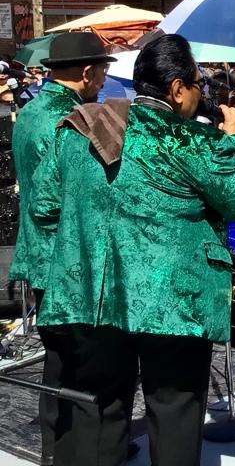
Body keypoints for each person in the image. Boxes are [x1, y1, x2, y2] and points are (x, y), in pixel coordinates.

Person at [31, 34, 235, 466]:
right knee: (174, 411)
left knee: (95, 410)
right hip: (174, 304)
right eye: (199, 85)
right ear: (177, 89)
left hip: (94, 295)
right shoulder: (190, 141)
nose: (202, 95)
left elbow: (44, 207)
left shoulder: (78, 130)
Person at [9, 32, 113, 464]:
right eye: (103, 72)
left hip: (37, 251)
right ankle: (75, 449)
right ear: (87, 72)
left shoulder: (29, 110)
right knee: (82, 362)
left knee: (57, 360)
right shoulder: (73, 117)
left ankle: (55, 448)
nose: (105, 81)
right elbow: (63, 197)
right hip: (67, 256)